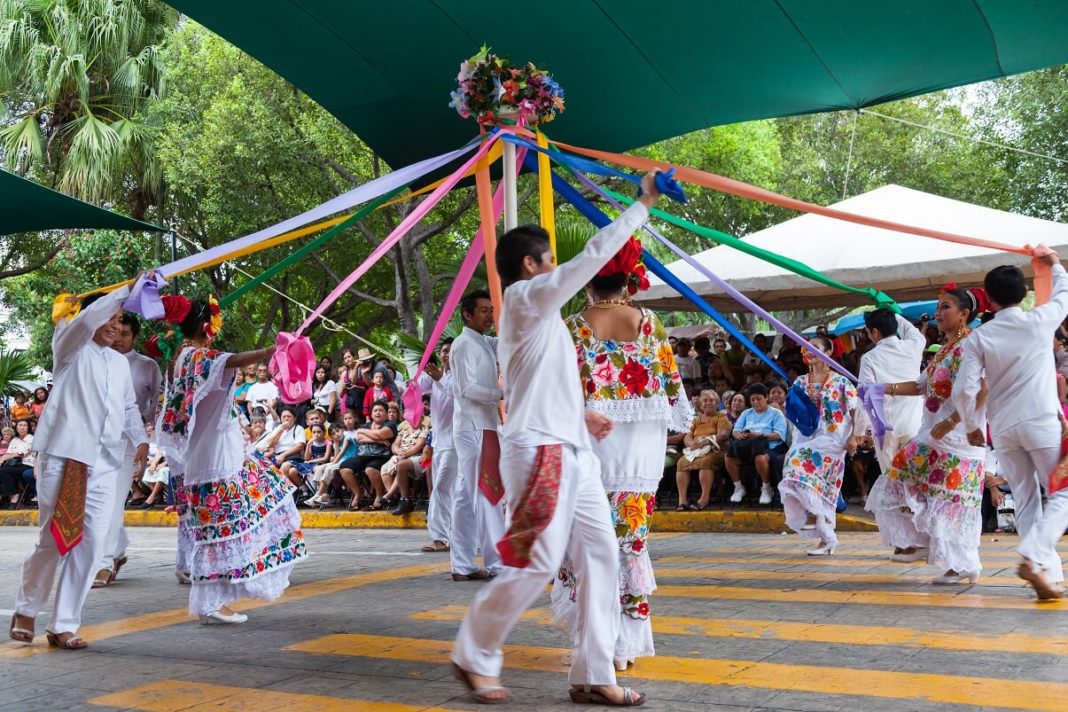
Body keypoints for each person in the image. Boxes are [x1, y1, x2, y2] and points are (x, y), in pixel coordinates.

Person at [451, 169, 660, 706]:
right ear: (532, 265)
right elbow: (591, 256)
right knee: (537, 559)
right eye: (550, 260)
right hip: (541, 450)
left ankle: (592, 674)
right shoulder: (523, 299)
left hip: (572, 451)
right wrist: (641, 206)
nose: (558, 269)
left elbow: (542, 384)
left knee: (602, 556)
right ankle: (473, 653)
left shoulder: (541, 321)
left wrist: (584, 416)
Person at [550, 236, 692, 672]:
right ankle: (624, 644)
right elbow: (672, 388)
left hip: (591, 438)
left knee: (588, 539)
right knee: (632, 538)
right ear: (628, 280)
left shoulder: (573, 325)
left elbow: (559, 387)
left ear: (590, 279)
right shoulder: (649, 323)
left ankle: (596, 640)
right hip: (640, 447)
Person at [10, 286, 148, 649]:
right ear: (93, 316)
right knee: (53, 540)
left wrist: (141, 440)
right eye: (113, 318)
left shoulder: (120, 364)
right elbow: (87, 316)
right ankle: (27, 608)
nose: (117, 327)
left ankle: (63, 624)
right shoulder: (70, 346)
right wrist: (128, 290)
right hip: (64, 457)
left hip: (104, 463)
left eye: (121, 321)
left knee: (90, 544)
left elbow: (129, 408)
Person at [156, 296, 307, 624]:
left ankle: (215, 599)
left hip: (211, 454)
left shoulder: (180, 358)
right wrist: (272, 350)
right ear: (205, 325)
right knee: (225, 524)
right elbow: (233, 360)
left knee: (234, 517)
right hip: (215, 457)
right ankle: (212, 601)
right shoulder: (198, 357)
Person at [954, 252, 1068, 599]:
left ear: (988, 299)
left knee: (1026, 498)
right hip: (1041, 421)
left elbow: (964, 389)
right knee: (1062, 492)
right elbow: (1064, 293)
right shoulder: (1040, 320)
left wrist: (973, 423)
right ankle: (1034, 554)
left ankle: (1048, 574)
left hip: (1003, 428)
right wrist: (1055, 262)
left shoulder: (979, 337)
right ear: (1025, 294)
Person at [867, 285, 988, 581]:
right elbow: (922, 386)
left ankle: (960, 563)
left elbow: (983, 388)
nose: (938, 312)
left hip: (958, 439)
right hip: (932, 435)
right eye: (938, 306)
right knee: (897, 481)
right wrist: (884, 388)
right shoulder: (944, 350)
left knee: (950, 502)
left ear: (964, 315)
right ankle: (920, 542)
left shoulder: (972, 346)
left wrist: (953, 421)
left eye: (945, 307)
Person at [94, 312, 163, 589]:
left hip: (127, 443)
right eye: (115, 332)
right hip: (92, 441)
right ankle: (117, 549)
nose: (118, 339)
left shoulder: (146, 366)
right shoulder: (96, 359)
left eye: (125, 334)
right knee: (95, 500)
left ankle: (104, 561)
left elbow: (152, 405)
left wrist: (145, 438)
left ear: (134, 337)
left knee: (111, 500)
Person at [778, 338, 858, 555]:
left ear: (829, 351)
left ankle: (815, 517)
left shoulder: (841, 382)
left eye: (816, 347)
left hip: (833, 438)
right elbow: (793, 411)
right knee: (795, 473)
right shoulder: (800, 382)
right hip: (806, 437)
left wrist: (854, 437)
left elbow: (855, 412)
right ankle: (827, 537)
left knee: (802, 468)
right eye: (806, 347)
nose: (809, 350)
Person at [449, 289, 506, 581]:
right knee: (485, 493)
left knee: (466, 495)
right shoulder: (462, 345)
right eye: (483, 310)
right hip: (474, 426)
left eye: (491, 310)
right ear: (467, 315)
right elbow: (468, 389)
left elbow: (508, 342)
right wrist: (502, 394)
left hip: (482, 425)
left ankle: (462, 564)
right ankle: (496, 563)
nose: (489, 315)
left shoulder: (483, 341)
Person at [856, 309, 927, 475]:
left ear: (874, 332)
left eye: (868, 332)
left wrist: (859, 430)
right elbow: (909, 328)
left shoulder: (869, 358)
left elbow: (865, 396)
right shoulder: (914, 345)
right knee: (914, 478)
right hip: (913, 424)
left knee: (891, 480)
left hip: (885, 429)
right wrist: (892, 313)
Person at [417, 339, 456, 553]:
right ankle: (447, 536)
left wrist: (440, 378)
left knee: (442, 488)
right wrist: (419, 370)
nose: (446, 354)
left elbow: (459, 394)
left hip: (457, 442)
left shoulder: (460, 375)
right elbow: (413, 386)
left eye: (451, 351)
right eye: (443, 351)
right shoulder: (434, 377)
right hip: (439, 442)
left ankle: (442, 536)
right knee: (445, 489)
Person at [725, 384, 788, 504]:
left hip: (771, 447)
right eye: (752, 399)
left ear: (766, 398)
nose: (755, 402)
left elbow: (779, 435)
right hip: (748, 446)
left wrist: (760, 436)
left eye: (758, 399)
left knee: (760, 458)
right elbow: (736, 430)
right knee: (729, 458)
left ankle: (766, 488)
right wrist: (739, 435)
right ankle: (738, 487)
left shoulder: (776, 413)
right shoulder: (746, 413)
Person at [675, 391, 730, 510]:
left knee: (706, 462)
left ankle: (704, 499)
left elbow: (723, 435)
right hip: (696, 451)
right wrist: (692, 443)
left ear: (717, 403)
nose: (708, 403)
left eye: (711, 400)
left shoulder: (721, 417)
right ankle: (682, 500)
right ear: (701, 404)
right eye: (705, 401)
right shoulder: (696, 420)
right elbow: (687, 436)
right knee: (681, 463)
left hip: (716, 450)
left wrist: (705, 441)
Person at [338, 401, 396, 510]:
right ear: (371, 413)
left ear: (386, 413)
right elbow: (359, 438)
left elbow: (380, 434)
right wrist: (379, 441)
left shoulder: (390, 425)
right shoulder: (367, 425)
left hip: (382, 457)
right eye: (375, 410)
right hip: (364, 455)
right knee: (344, 468)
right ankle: (357, 494)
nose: (378, 413)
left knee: (370, 469)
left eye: (381, 410)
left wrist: (364, 432)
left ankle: (379, 495)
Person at [0, 419, 34, 509]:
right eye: (20, 425)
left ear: (28, 428)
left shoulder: (31, 438)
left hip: (27, 465)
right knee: (3, 469)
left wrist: (6, 457)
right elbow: (8, 453)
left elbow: (20, 453)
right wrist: (2, 459)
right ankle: (4, 496)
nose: (22, 427)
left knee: (4, 471)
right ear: (16, 428)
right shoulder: (14, 440)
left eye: (24, 425)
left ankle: (13, 496)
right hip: (13, 464)